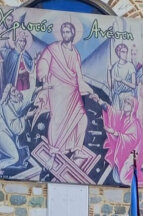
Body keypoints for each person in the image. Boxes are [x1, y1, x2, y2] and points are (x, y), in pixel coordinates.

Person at [35, 21, 91, 154]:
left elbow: (78, 74)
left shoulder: (76, 53)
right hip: (57, 89)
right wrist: (43, 75)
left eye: (68, 32)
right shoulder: (53, 48)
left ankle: (77, 148)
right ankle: (54, 148)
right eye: (63, 32)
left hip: (73, 90)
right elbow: (44, 61)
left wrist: (88, 89)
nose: (65, 34)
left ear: (73, 34)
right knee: (58, 119)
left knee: (82, 118)